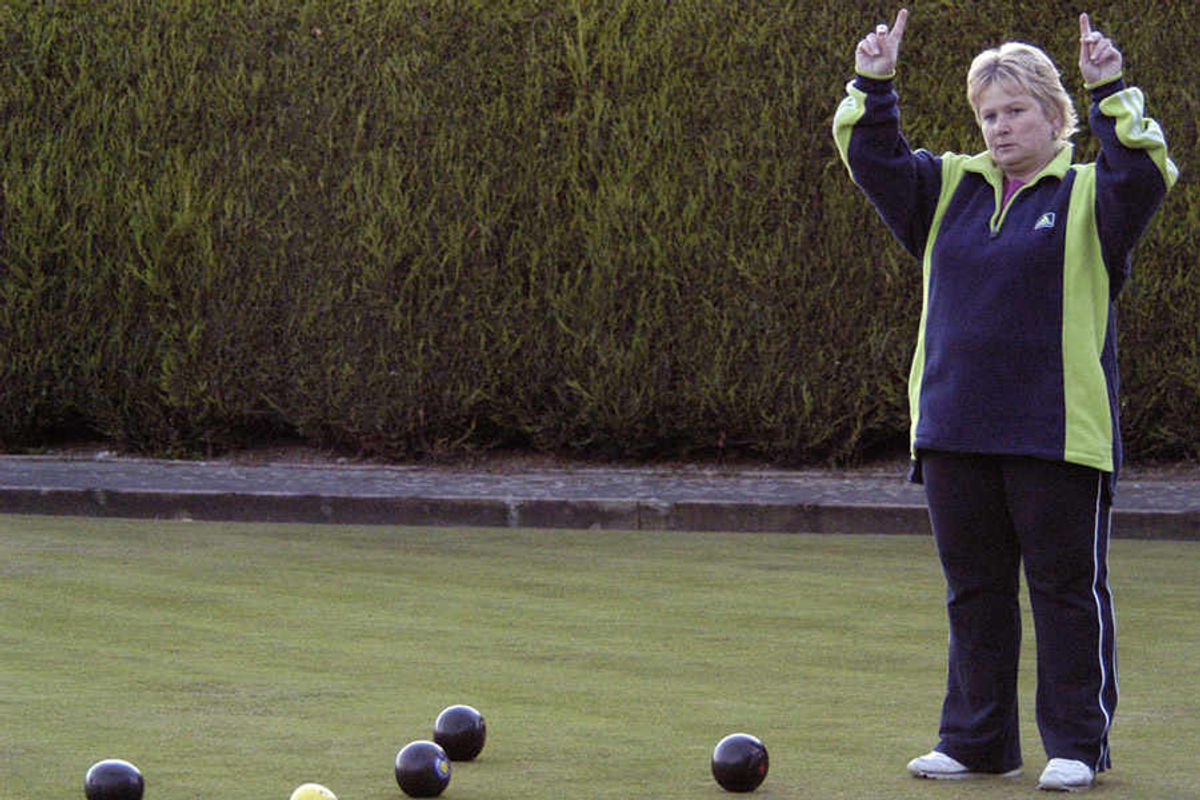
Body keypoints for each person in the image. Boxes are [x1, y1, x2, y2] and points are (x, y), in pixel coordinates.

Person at [832, 8, 1177, 793]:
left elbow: (1148, 166)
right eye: (988, 113)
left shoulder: (1096, 195)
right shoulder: (945, 185)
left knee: (1064, 590)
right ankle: (977, 742)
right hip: (954, 425)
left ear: (1056, 117)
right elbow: (867, 153)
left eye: (1016, 110)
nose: (999, 126)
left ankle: (1077, 747)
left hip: (1057, 430)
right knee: (975, 593)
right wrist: (874, 80)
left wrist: (1110, 88)